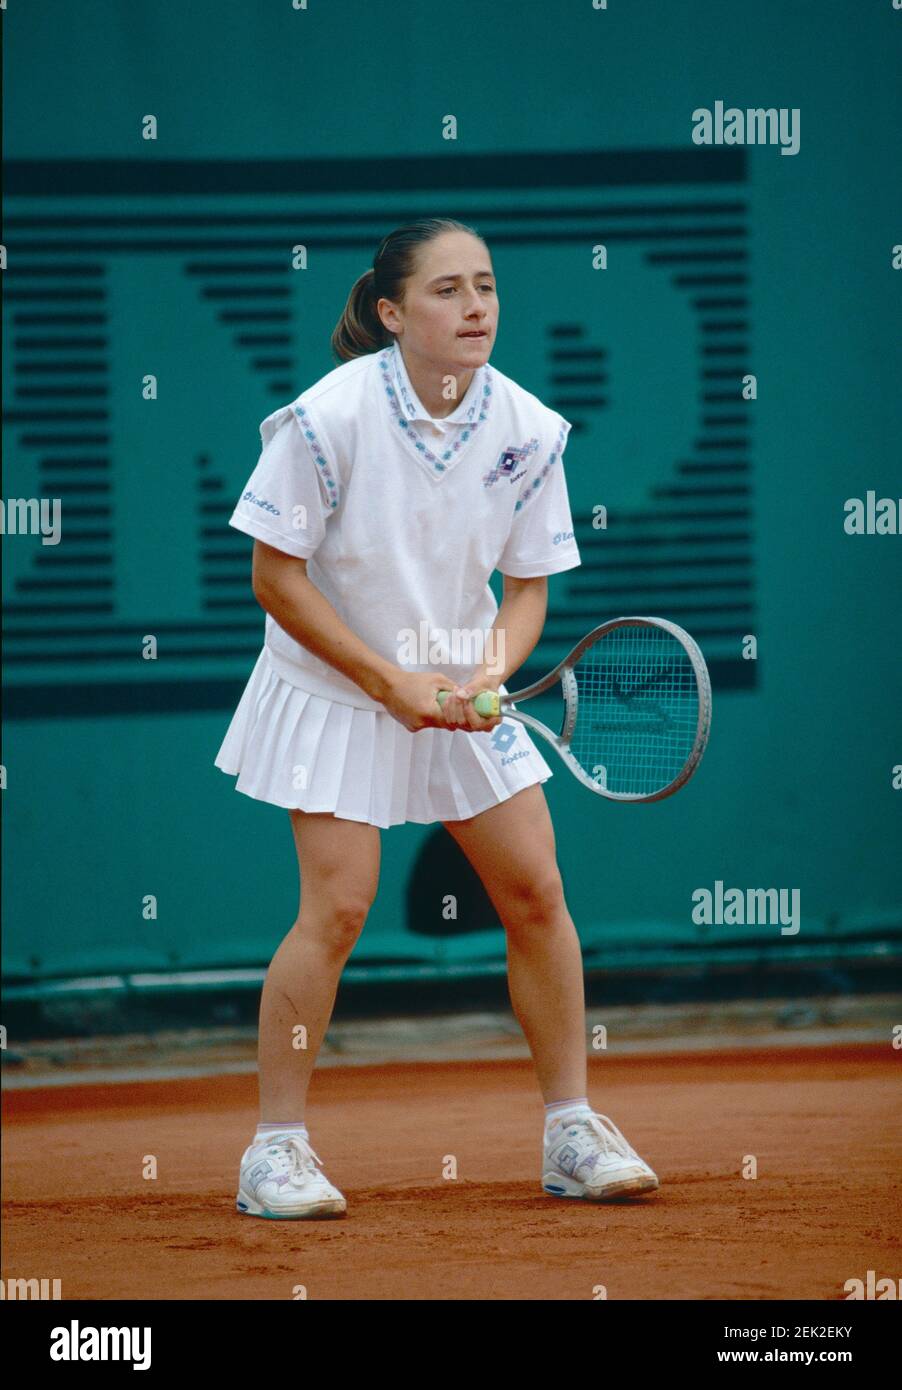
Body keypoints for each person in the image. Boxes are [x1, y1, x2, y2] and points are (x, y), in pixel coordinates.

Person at [215, 217, 658, 1218]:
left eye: (487, 287)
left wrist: (489, 673)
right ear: (389, 312)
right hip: (334, 686)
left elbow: (528, 588)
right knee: (335, 906)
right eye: (448, 290)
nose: (475, 308)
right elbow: (273, 578)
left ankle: (569, 1129)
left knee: (536, 893)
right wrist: (385, 682)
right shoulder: (325, 420)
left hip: (458, 690)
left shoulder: (527, 428)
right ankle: (273, 1150)